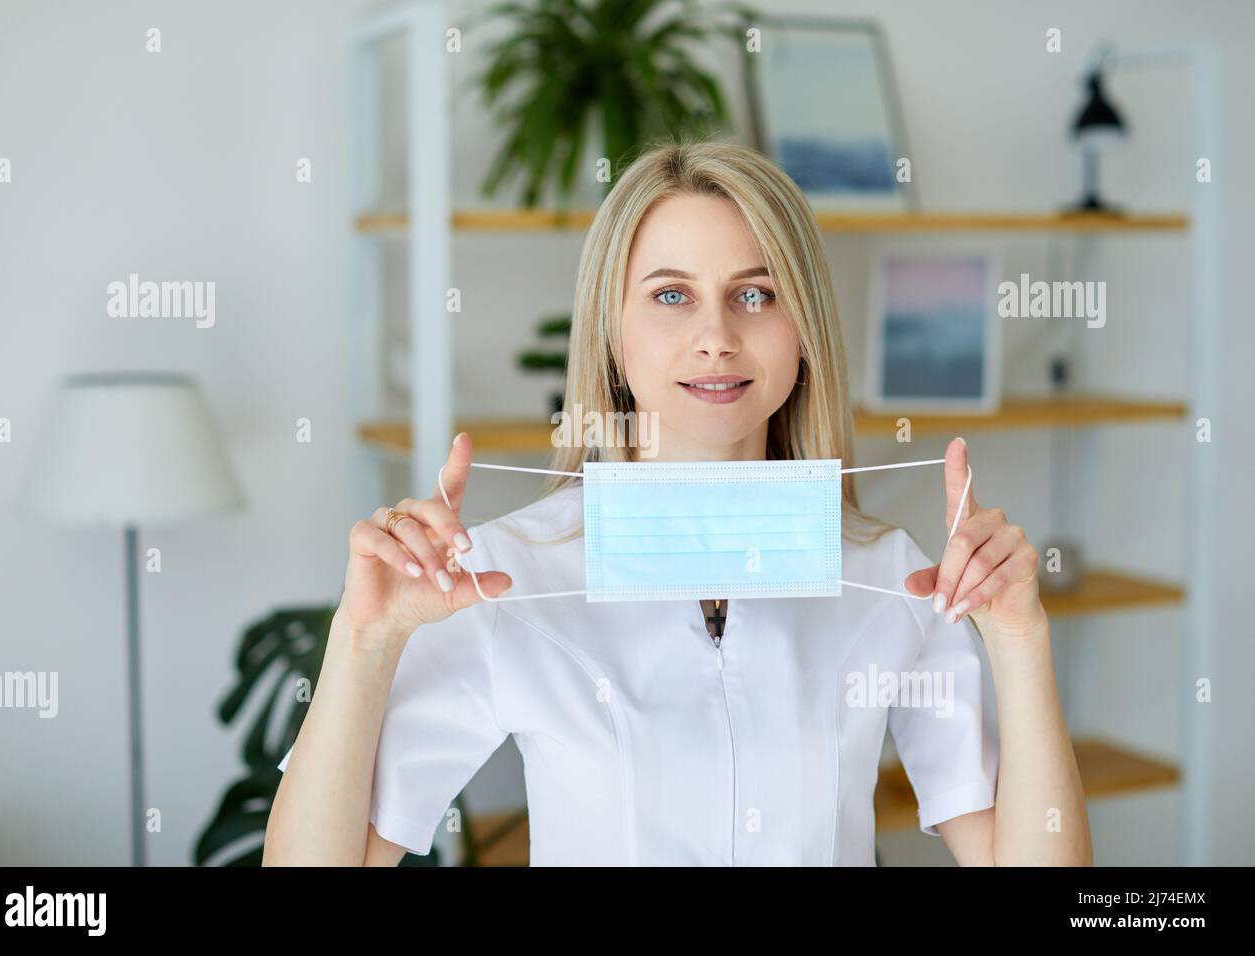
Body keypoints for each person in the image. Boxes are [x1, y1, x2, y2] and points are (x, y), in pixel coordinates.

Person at [263, 139, 1091, 866]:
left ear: (803, 332)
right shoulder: (505, 579)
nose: (717, 335)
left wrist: (1019, 636)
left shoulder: (892, 580)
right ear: (612, 336)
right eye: (670, 295)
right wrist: (364, 641)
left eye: (756, 293)